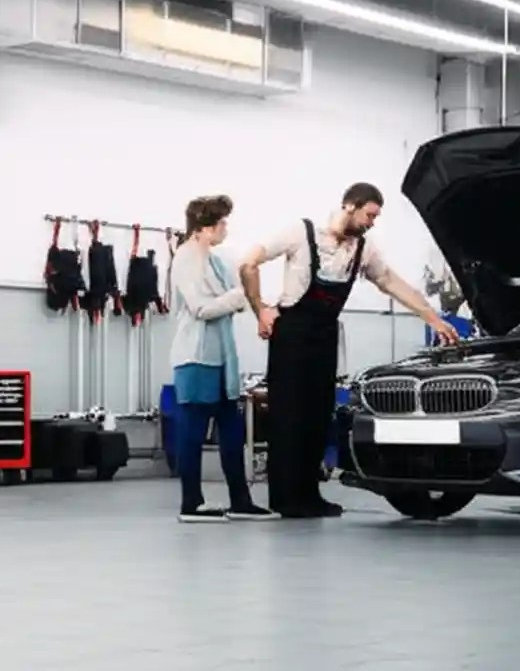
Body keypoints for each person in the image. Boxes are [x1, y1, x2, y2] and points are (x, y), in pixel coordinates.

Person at [239, 182, 460, 518]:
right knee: (288, 417)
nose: (372, 222)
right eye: (370, 214)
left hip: (326, 337)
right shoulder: (301, 232)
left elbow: (392, 283)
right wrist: (260, 309)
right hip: (292, 336)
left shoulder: (364, 249)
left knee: (318, 415)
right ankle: (284, 499)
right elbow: (248, 263)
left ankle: (309, 496)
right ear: (350, 206)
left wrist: (435, 319)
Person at [168, 195, 278, 523]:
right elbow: (202, 308)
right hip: (197, 358)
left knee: (232, 430)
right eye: (221, 222)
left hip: (223, 360)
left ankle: (240, 500)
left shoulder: (214, 261)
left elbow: (229, 301)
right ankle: (191, 503)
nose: (225, 228)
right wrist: (240, 295)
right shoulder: (186, 258)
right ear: (204, 228)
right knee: (192, 431)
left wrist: (237, 297)